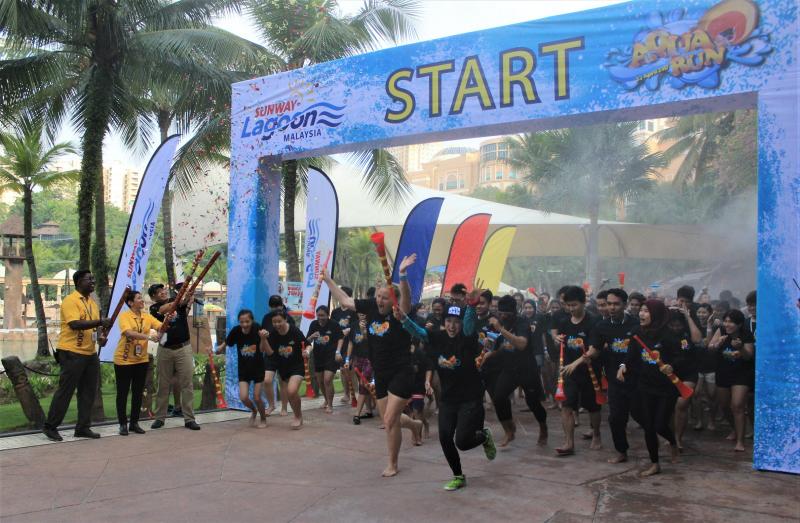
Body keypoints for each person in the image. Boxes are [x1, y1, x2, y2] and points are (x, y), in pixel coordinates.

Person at [323, 255, 424, 477]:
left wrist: (403, 275)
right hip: (381, 372)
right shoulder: (370, 306)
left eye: (385, 298)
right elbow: (346, 301)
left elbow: (406, 301)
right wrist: (328, 280)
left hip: (401, 371)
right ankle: (415, 425)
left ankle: (392, 464)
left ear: (393, 300)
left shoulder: (399, 312)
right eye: (378, 296)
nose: (380, 301)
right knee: (390, 418)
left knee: (389, 421)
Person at [401, 303, 496, 491]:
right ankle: (458, 476)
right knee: (444, 437)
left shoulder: (467, 337)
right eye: (449, 321)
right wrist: (404, 318)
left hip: (470, 397)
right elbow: (419, 331)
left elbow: (469, 324)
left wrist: (471, 306)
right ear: (443, 322)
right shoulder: (437, 337)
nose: (452, 326)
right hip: (448, 398)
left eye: (456, 322)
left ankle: (484, 436)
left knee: (462, 442)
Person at [43, 270, 111, 441]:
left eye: (93, 278)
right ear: (79, 281)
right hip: (71, 352)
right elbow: (74, 324)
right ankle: (50, 426)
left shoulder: (92, 303)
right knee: (66, 391)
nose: (93, 281)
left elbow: (96, 328)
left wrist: (101, 337)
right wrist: (100, 321)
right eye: (89, 279)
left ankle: (83, 427)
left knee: (88, 392)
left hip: (90, 353)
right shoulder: (70, 301)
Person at [618, 299, 682, 477]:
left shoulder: (668, 335)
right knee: (648, 425)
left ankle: (673, 442)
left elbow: (681, 357)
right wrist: (623, 366)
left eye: (646, 311)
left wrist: (672, 366)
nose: (641, 314)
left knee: (660, 424)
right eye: (641, 310)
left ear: (656, 314)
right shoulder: (637, 332)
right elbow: (630, 355)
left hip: (666, 387)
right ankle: (655, 463)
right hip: (645, 385)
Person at [582, 288, 640, 464]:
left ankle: (666, 444)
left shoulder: (636, 324)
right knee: (615, 418)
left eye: (616, 304)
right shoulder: (601, 326)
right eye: (609, 304)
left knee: (642, 416)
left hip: (637, 379)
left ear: (625, 304)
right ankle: (621, 451)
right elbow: (595, 349)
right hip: (614, 379)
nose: (612, 307)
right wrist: (588, 356)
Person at [483, 295, 548, 447]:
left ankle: (543, 427)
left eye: (506, 314)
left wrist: (501, 329)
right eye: (500, 313)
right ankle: (509, 430)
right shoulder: (498, 322)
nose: (502, 316)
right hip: (509, 369)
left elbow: (521, 344)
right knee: (499, 397)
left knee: (533, 402)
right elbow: (499, 345)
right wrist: (489, 350)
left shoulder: (522, 322)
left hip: (527, 368)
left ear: (513, 312)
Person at [555, 286, 601, 456]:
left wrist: (575, 363)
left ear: (583, 302)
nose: (571, 309)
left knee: (593, 407)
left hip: (589, 371)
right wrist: (557, 339)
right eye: (568, 305)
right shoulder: (564, 322)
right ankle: (569, 443)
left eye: (574, 305)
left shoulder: (594, 321)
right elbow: (561, 341)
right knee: (566, 406)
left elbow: (594, 349)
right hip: (569, 372)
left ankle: (596, 434)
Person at [149, 283, 200, 431]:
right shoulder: (154, 308)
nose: (162, 293)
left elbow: (183, 302)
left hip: (183, 348)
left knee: (187, 384)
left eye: (163, 290)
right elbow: (163, 309)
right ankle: (160, 418)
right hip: (164, 349)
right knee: (162, 385)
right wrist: (180, 299)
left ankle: (189, 419)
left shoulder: (177, 301)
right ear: (153, 297)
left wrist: (188, 296)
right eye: (158, 292)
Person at [114, 291, 162, 436]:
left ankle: (134, 423)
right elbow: (128, 333)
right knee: (122, 393)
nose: (142, 300)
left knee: (138, 392)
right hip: (124, 360)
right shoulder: (125, 316)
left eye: (142, 298)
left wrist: (167, 322)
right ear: (130, 302)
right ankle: (123, 424)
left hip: (141, 360)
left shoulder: (147, 316)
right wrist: (149, 337)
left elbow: (160, 326)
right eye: (139, 298)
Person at [708, 309, 755, 451]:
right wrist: (717, 344)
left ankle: (740, 441)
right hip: (723, 372)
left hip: (741, 373)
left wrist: (740, 348)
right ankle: (735, 428)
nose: (727, 324)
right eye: (726, 321)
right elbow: (710, 348)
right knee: (724, 406)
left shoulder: (746, 334)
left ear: (739, 324)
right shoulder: (721, 331)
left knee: (737, 405)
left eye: (731, 322)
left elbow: (748, 356)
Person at [217, 310, 267, 428]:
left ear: (252, 321)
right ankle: (254, 410)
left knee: (257, 397)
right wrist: (220, 347)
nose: (244, 324)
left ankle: (263, 419)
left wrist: (263, 338)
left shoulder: (257, 328)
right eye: (242, 322)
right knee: (243, 397)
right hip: (244, 369)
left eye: (247, 321)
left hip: (258, 368)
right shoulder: (236, 330)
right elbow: (228, 341)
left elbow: (262, 349)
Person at [260, 310, 307, 429]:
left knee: (291, 391)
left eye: (279, 321)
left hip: (296, 366)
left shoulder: (294, 331)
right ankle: (275, 406)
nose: (277, 324)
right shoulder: (272, 334)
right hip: (283, 367)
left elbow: (307, 344)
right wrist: (263, 339)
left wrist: (307, 351)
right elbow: (270, 353)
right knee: (288, 392)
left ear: (285, 319)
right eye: (274, 322)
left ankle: (298, 416)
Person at [261, 294, 295, 415]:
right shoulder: (266, 318)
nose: (275, 309)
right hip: (270, 353)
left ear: (281, 305)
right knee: (267, 380)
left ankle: (284, 407)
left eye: (277, 306)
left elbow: (293, 335)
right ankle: (271, 405)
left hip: (284, 353)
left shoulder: (288, 318)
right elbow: (262, 332)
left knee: (283, 381)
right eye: (273, 306)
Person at [307, 305, 345, 414]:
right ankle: (326, 400)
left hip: (331, 356)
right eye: (318, 315)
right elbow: (307, 340)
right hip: (318, 356)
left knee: (327, 380)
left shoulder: (333, 324)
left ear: (328, 315)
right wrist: (312, 337)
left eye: (323, 315)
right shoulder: (313, 324)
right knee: (320, 382)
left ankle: (330, 405)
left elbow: (341, 338)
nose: (320, 318)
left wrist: (338, 352)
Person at [346, 312, 375, 424]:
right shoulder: (354, 325)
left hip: (370, 358)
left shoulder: (373, 324)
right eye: (360, 313)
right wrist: (347, 359)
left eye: (364, 312)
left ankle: (357, 414)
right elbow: (351, 343)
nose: (363, 315)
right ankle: (369, 410)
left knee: (363, 384)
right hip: (358, 358)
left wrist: (364, 331)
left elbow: (374, 342)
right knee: (363, 385)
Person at [331, 287, 358, 405]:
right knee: (342, 370)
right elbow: (332, 327)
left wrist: (349, 329)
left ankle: (354, 393)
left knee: (349, 369)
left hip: (351, 344)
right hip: (339, 344)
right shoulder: (335, 312)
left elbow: (358, 325)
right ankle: (346, 393)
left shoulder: (353, 311)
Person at [692, 303, 717, 430]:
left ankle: (712, 421)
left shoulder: (716, 327)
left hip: (711, 366)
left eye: (704, 312)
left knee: (712, 395)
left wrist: (709, 326)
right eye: (699, 312)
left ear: (710, 313)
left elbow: (708, 344)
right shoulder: (694, 327)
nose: (701, 315)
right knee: (696, 395)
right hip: (697, 366)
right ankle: (699, 421)